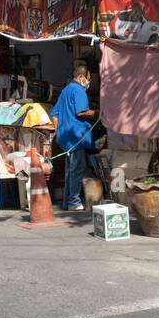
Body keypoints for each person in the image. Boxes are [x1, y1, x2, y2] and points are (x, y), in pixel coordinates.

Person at [50, 62, 96, 211]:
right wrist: (96, 112)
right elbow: (81, 112)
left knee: (70, 170)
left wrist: (59, 132)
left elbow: (55, 114)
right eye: (88, 77)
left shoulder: (65, 90)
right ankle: (74, 201)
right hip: (76, 138)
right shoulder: (78, 90)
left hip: (65, 138)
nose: (89, 80)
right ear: (82, 77)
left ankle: (67, 201)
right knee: (77, 169)